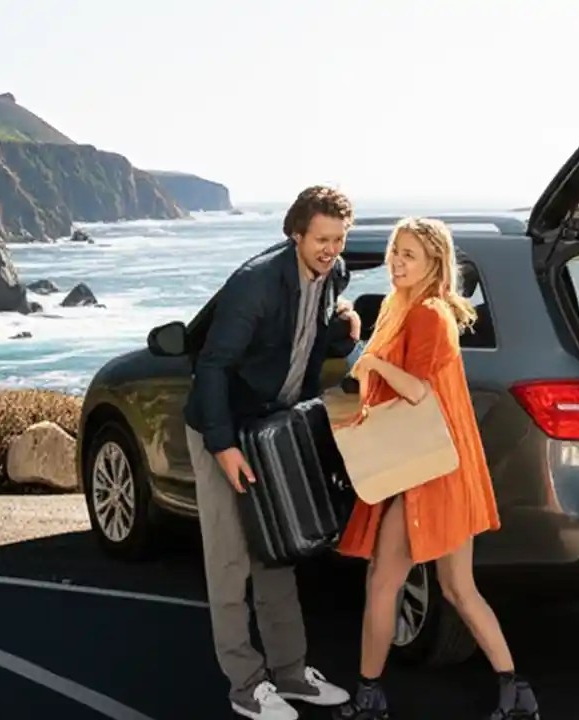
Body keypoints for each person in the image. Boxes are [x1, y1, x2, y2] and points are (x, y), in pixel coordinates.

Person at [332, 217, 541, 720]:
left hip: (427, 471)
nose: (397, 262)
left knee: (384, 582)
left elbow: (418, 391)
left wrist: (373, 365)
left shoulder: (427, 313)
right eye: (395, 252)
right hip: (436, 464)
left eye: (410, 255)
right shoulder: (401, 307)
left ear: (434, 264)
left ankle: (369, 698)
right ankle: (516, 693)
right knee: (457, 589)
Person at [183, 185, 362, 720]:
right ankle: (246, 686)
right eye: (322, 239)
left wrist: (344, 325)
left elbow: (303, 340)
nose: (331, 250)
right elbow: (212, 367)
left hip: (272, 432)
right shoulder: (255, 284)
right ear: (295, 235)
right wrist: (222, 447)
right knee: (230, 559)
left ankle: (291, 674)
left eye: (339, 239)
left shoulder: (334, 273)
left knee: (276, 552)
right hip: (223, 428)